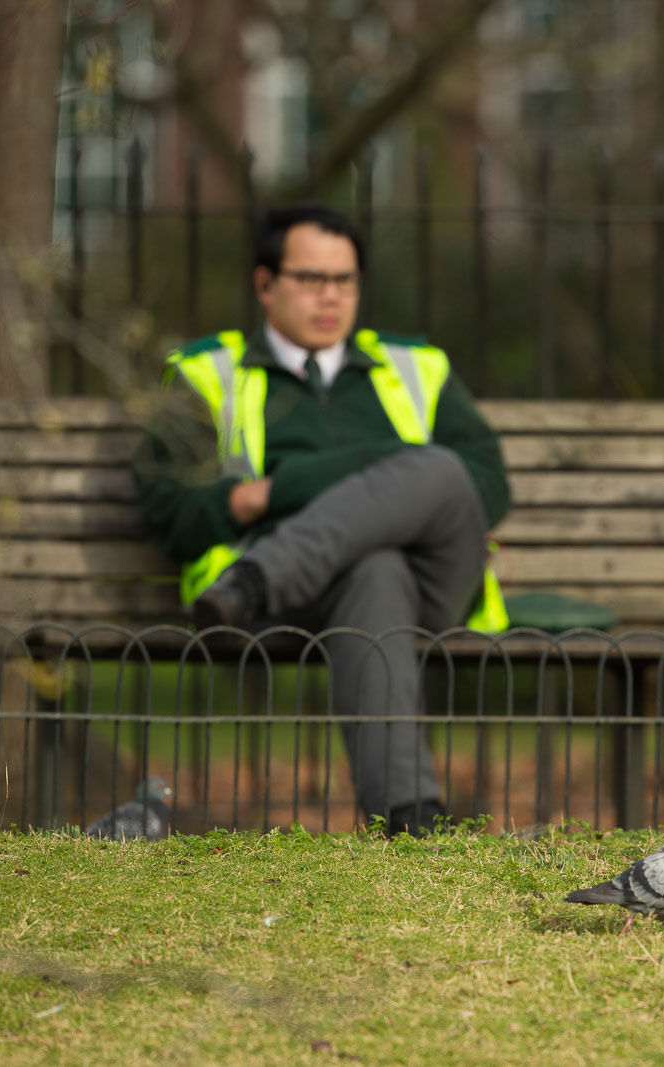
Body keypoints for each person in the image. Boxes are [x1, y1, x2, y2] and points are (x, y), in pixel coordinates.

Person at [132, 203, 511, 835]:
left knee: (438, 470)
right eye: (311, 279)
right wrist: (247, 503)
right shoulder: (207, 374)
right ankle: (411, 819)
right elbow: (169, 509)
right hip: (289, 606)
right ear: (265, 284)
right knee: (375, 562)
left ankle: (260, 575)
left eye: (345, 280)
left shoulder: (416, 367)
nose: (330, 296)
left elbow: (486, 485)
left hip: (430, 584)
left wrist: (281, 488)